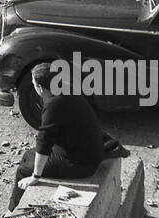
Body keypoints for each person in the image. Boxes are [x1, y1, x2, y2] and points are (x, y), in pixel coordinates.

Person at [8, 63, 103, 209]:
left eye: (33, 83)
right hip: (84, 151)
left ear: (40, 88)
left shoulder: (54, 104)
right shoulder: (66, 90)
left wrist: (35, 177)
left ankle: (12, 211)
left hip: (81, 163)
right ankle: (18, 204)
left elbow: (44, 141)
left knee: (23, 170)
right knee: (28, 154)